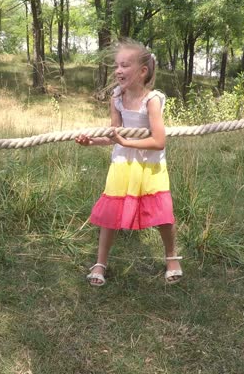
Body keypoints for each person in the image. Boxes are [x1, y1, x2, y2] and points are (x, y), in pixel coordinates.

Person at [76, 40, 182, 286]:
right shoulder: (117, 97)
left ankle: (172, 257)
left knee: (162, 214)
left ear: (142, 71)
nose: (118, 71)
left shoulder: (152, 100)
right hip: (122, 164)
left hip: (150, 164)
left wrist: (126, 142)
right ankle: (101, 262)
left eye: (124, 65)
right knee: (111, 213)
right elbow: (114, 136)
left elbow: (158, 141)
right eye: (117, 66)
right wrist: (91, 142)